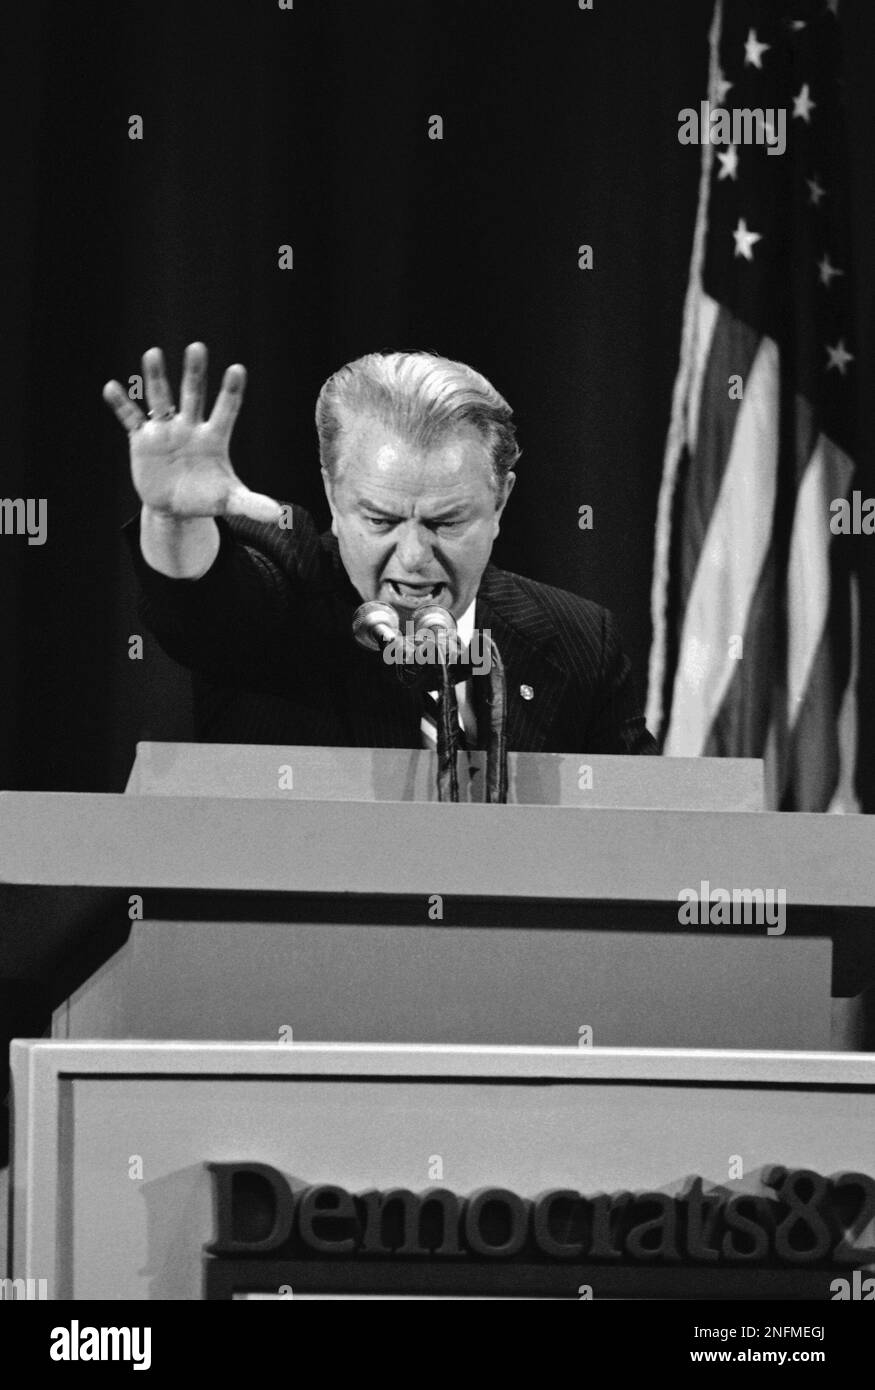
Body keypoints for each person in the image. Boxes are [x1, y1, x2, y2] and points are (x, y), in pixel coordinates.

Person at [103, 343, 657, 753]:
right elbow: (200, 608)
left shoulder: (581, 642)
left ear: (501, 503)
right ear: (332, 494)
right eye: (382, 519)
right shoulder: (284, 604)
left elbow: (649, 838)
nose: (413, 556)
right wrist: (172, 518)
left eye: (446, 521)